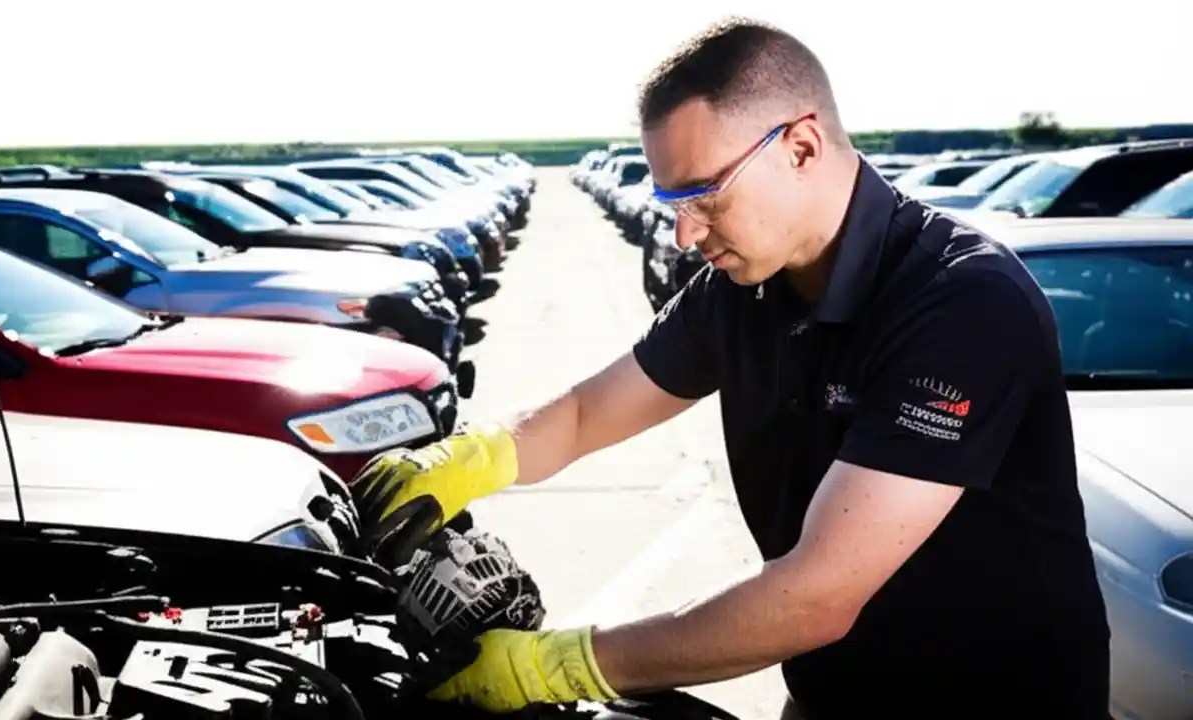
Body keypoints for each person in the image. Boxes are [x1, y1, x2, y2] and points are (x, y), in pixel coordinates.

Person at [350, 17, 1112, 720]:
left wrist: (554, 666)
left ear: (802, 147)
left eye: (704, 193)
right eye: (670, 198)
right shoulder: (742, 292)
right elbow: (588, 412)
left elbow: (815, 597)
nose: (684, 232)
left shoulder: (960, 302)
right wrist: (473, 457)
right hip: (831, 692)